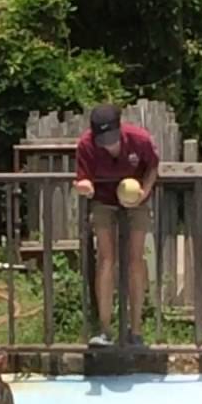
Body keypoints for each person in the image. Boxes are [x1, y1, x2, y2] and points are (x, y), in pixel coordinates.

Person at [73, 103, 159, 348]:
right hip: (103, 200)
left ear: (120, 128)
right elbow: (83, 180)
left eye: (111, 138)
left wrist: (144, 191)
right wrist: (85, 188)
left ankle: (136, 330)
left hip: (136, 200)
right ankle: (105, 329)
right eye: (103, 139)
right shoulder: (86, 145)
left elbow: (152, 167)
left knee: (135, 259)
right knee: (106, 259)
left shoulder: (139, 139)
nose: (108, 144)